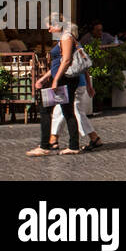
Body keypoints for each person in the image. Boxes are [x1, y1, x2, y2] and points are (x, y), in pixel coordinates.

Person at [26, 14, 83, 156]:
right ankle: (73, 145)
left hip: (64, 79)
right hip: (63, 78)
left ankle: (45, 146)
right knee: (67, 110)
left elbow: (66, 60)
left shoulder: (66, 37)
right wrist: (45, 78)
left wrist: (56, 80)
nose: (49, 30)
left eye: (50, 27)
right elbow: (58, 63)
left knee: (46, 109)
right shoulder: (63, 37)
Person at [49, 71, 102, 152]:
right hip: (75, 83)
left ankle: (94, 137)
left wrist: (53, 79)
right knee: (61, 110)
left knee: (74, 112)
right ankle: (53, 138)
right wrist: (88, 85)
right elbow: (84, 67)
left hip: (72, 83)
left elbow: (63, 64)